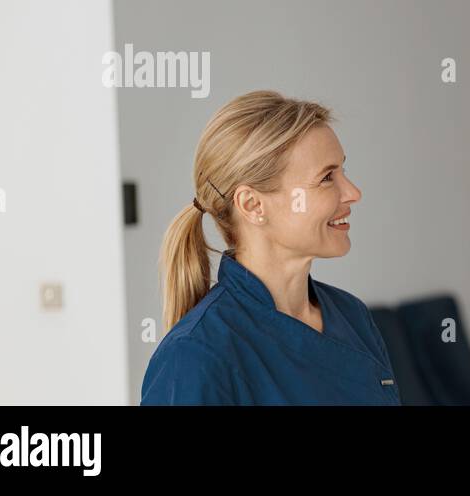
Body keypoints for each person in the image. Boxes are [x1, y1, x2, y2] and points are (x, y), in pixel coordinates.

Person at [141, 91, 400, 405]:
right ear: (252, 205)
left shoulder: (353, 316)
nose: (353, 193)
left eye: (343, 171)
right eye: (327, 177)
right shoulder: (194, 356)